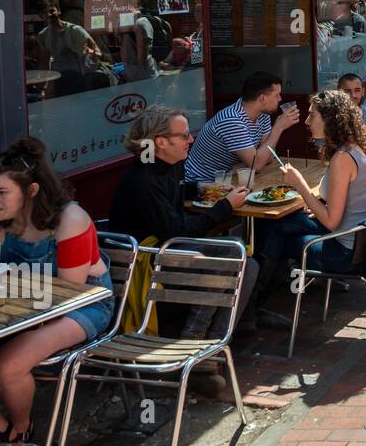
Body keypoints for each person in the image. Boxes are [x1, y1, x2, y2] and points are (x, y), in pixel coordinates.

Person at [0, 138, 113, 444]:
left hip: (82, 306)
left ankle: (22, 430)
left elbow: (70, 292)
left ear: (32, 191)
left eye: (2, 193)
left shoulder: (70, 220)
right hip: (22, 309)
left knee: (7, 367)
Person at [109, 108, 261, 345]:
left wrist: (200, 187)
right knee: (233, 252)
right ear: (160, 141)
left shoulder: (168, 165)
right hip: (149, 260)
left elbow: (174, 189)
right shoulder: (142, 180)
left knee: (249, 265)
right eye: (184, 135)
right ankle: (194, 337)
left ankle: (214, 340)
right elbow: (177, 232)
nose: (191, 139)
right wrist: (225, 207)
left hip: (168, 249)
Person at [277, 90, 366, 275]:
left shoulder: (342, 157)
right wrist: (328, 207)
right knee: (281, 223)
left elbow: (332, 222)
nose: (307, 122)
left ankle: (259, 292)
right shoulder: (360, 144)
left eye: (312, 115)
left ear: (331, 119)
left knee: (274, 236)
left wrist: (299, 183)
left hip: (345, 253)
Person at [184, 71, 301, 183]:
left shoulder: (262, 115)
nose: (280, 99)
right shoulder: (232, 120)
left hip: (231, 180)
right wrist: (278, 128)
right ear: (263, 98)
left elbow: (269, 157)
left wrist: (245, 165)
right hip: (202, 185)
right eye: (277, 95)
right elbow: (258, 164)